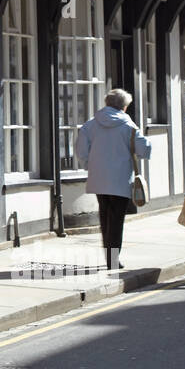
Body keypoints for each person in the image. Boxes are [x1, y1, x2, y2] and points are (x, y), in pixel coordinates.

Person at [75, 89, 150, 270]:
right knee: (117, 219)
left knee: (105, 216)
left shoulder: (90, 124)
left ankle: (109, 255)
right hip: (121, 178)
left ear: (107, 103)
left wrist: (89, 164)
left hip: (98, 177)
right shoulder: (128, 125)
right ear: (123, 107)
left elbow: (81, 151)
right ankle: (113, 259)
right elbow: (144, 149)